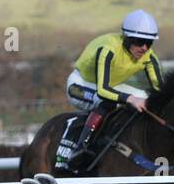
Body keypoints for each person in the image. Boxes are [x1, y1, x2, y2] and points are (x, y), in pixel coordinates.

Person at [65, 9, 164, 170]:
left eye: (149, 42)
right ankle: (81, 148)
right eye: (139, 41)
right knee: (108, 100)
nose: (144, 48)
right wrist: (130, 99)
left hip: (110, 86)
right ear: (127, 38)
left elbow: (161, 92)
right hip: (80, 85)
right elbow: (103, 90)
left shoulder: (149, 57)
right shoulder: (108, 48)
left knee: (146, 99)